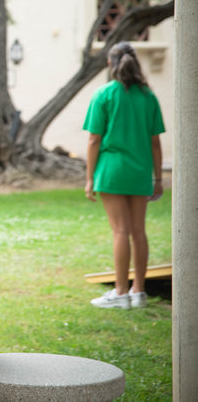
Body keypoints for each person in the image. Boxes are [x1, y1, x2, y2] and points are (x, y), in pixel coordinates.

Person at [84, 41, 165, 310]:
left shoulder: (104, 94)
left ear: (110, 63)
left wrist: (89, 178)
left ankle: (120, 293)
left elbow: (94, 140)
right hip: (140, 172)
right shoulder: (148, 96)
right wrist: (158, 178)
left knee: (120, 231)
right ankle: (138, 292)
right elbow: (155, 142)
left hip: (113, 171)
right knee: (138, 232)